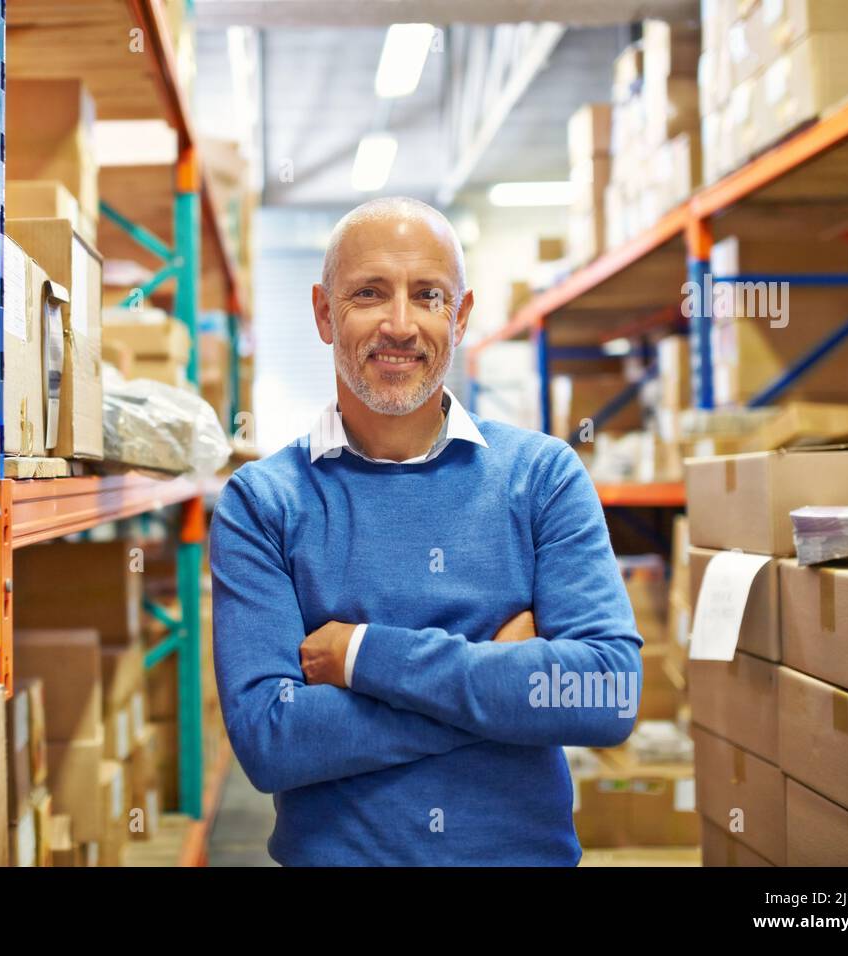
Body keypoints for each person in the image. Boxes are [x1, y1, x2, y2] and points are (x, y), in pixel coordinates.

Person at [208, 196, 642, 866]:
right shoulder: (264, 503)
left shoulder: (543, 476)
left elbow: (605, 692)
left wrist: (362, 659)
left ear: (460, 316)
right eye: (370, 294)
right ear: (325, 314)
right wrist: (499, 681)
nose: (401, 324)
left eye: (428, 295)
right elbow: (272, 740)